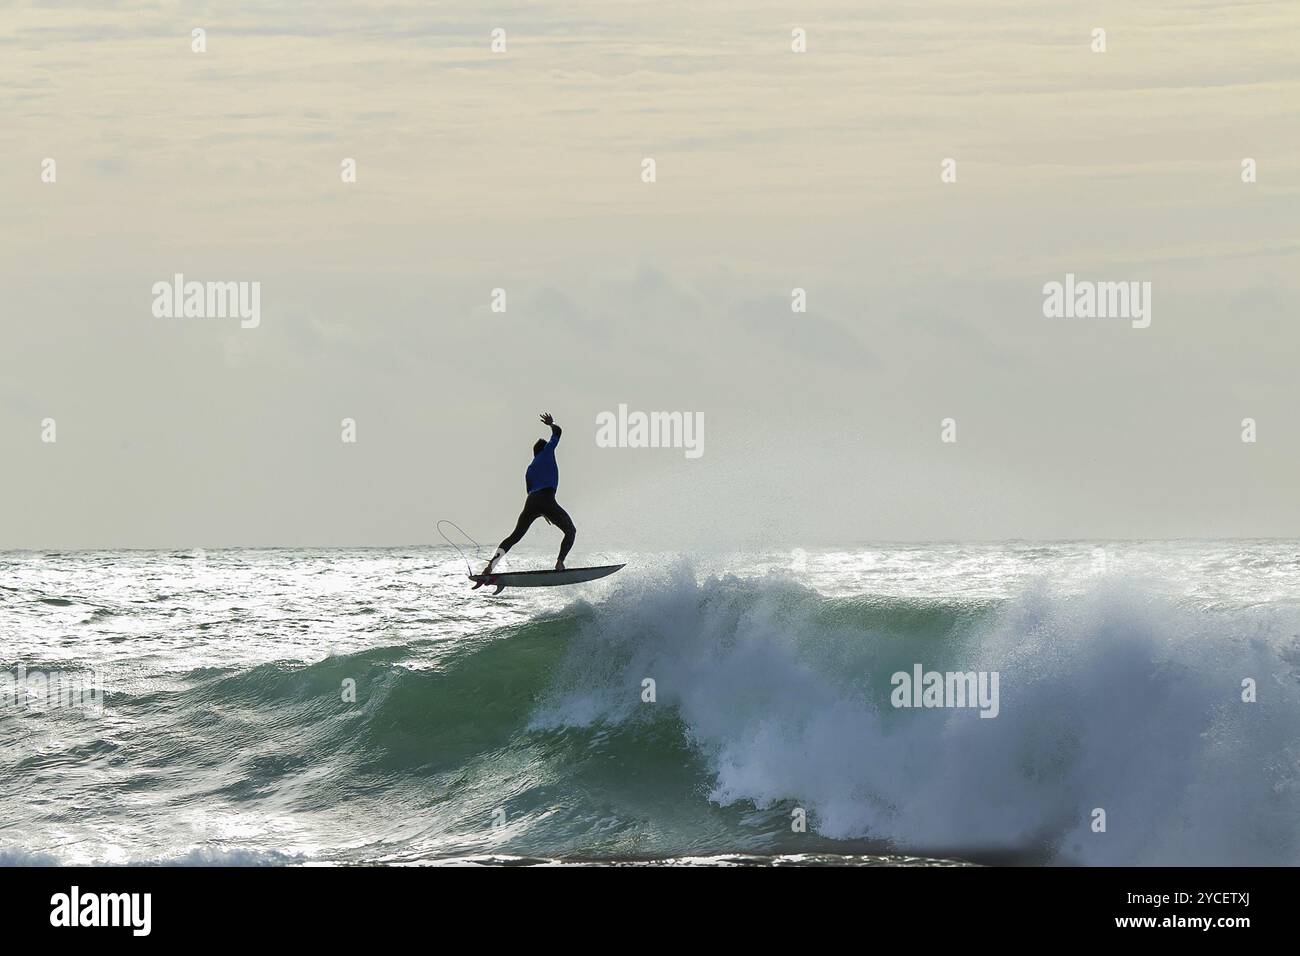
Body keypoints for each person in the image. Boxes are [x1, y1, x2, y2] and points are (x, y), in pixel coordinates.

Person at [481, 412, 577, 575]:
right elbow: (558, 432)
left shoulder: (530, 468)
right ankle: (560, 562)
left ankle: (490, 566)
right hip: (546, 499)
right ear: (544, 447)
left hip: (531, 502)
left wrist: (541, 511)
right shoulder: (547, 451)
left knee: (514, 537)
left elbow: (529, 491)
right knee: (570, 531)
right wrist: (551, 424)